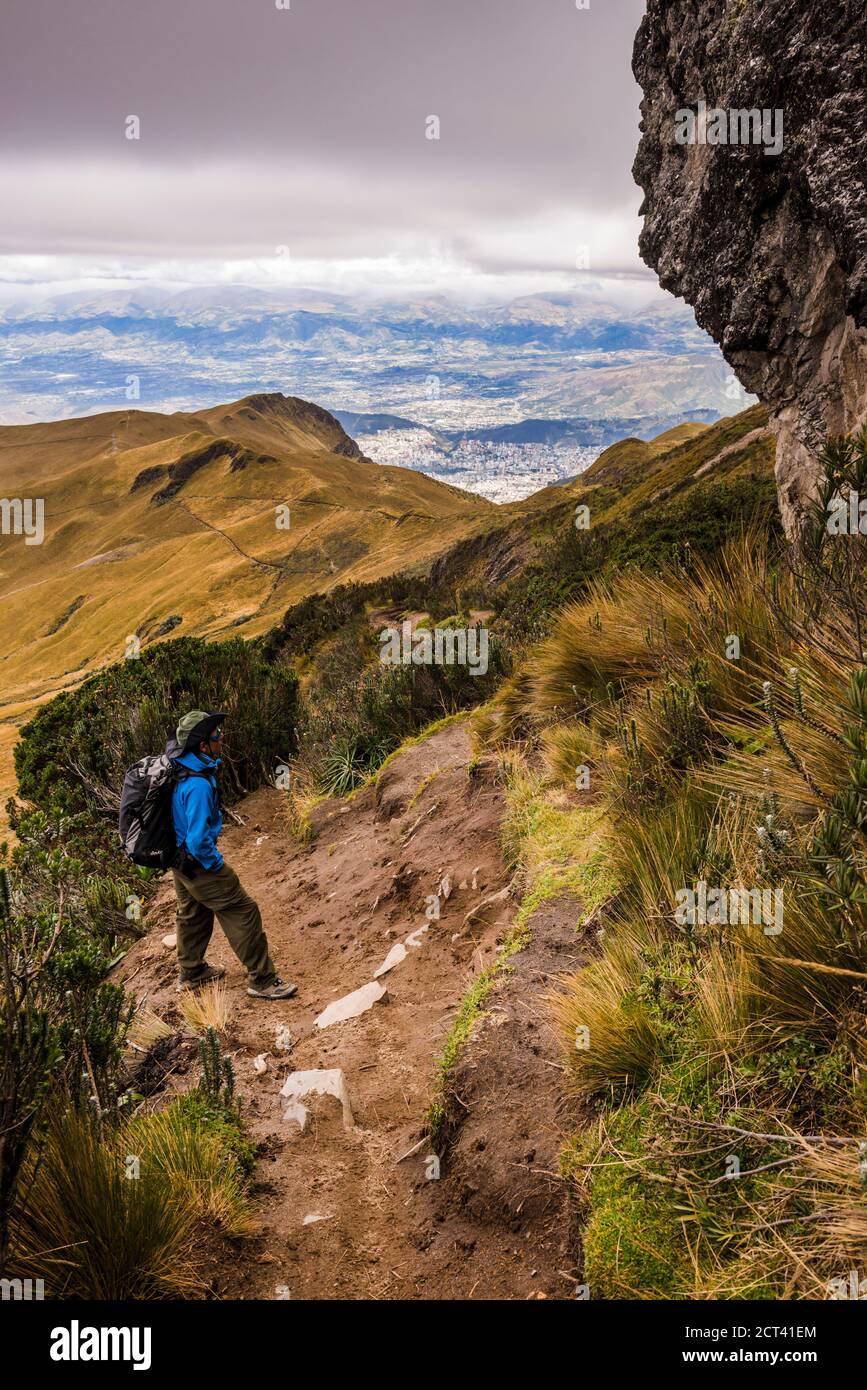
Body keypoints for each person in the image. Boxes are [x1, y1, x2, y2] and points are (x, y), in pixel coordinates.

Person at [169, 709, 297, 1000]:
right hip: (197, 862)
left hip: (178, 861)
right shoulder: (198, 784)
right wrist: (216, 865)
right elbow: (199, 840)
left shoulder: (179, 770)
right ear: (203, 745)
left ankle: (191, 971)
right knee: (243, 910)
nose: (222, 737)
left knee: (193, 911)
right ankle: (263, 980)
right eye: (217, 735)